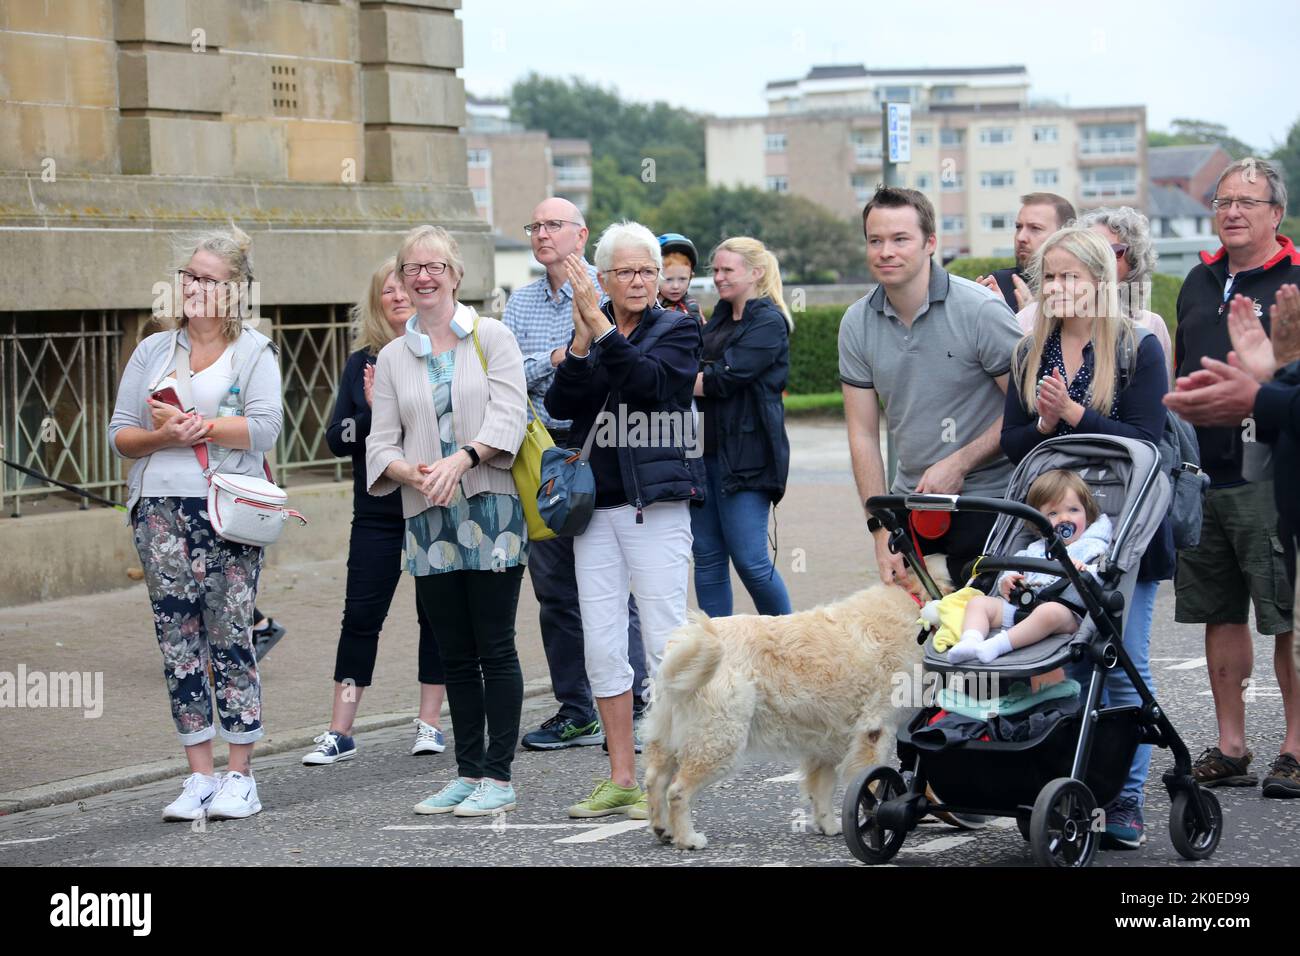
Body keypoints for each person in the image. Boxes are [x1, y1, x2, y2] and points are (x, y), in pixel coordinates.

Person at [1002, 226, 1174, 847]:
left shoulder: (1136, 348)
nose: (1061, 288)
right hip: (1054, 529)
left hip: (1128, 530)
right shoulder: (1030, 352)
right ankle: (1063, 783)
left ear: (1102, 283)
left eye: (1073, 276)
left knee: (1122, 662)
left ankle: (1125, 799)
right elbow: (1013, 444)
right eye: (1051, 277)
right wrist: (1044, 423)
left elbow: (1147, 443)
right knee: (1052, 658)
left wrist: (1075, 419)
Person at [109, 224, 283, 821]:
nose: (191, 286)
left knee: (230, 636)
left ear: (234, 291)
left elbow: (264, 427)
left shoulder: (254, 350)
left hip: (227, 509)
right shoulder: (153, 350)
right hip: (159, 509)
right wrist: (162, 435)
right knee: (178, 642)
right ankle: (199, 776)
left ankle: (241, 775)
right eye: (188, 275)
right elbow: (120, 437)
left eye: (206, 278)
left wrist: (201, 428)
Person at [366, 225, 529, 817]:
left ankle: (500, 776)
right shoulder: (392, 356)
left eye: (435, 266)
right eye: (413, 267)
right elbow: (379, 443)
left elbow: (511, 415)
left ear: (456, 276)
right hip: (426, 518)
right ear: (403, 278)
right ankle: (465, 772)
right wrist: (411, 473)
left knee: (495, 646)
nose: (424, 276)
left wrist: (462, 460)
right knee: (452, 653)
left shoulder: (493, 336)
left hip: (491, 509)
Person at [545, 222, 703, 819]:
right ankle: (621, 776)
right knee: (604, 643)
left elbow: (653, 387)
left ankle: (666, 778)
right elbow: (562, 407)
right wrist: (583, 344)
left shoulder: (677, 326)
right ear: (602, 277)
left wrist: (603, 331)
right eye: (627, 272)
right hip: (596, 511)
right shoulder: (592, 327)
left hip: (654, 506)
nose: (640, 281)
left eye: (648, 271)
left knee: (664, 641)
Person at [1169, 157, 1300, 796]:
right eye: (1223, 201)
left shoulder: (1298, 279)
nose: (1233, 211)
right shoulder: (1196, 279)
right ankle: (1231, 746)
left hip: (1274, 478)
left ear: (1277, 212)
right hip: (1203, 477)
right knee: (1218, 615)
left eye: (1247, 201)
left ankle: (1295, 750)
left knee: (1287, 619)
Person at [502, 197, 649, 751]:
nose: (541, 233)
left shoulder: (607, 287)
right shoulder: (520, 302)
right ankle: (575, 709)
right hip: (544, 456)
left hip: (601, 451)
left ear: (581, 235)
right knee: (555, 589)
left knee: (616, 588)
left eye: (552, 225)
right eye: (534, 225)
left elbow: (618, 367)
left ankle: (635, 700)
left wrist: (567, 362)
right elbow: (510, 373)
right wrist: (559, 359)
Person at [301, 258, 448, 767]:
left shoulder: (440, 353)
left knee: (436, 616)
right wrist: (370, 410)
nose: (398, 295)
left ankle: (430, 724)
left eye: (405, 286)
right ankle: (340, 730)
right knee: (360, 617)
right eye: (388, 290)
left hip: (430, 503)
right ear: (378, 301)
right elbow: (337, 438)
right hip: (379, 509)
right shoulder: (361, 360)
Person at [841, 185, 1022, 589]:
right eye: (875, 240)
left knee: (986, 639)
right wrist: (879, 528)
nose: (886, 251)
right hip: (913, 507)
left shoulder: (981, 311)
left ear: (930, 244)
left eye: (900, 239)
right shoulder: (855, 323)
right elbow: (863, 435)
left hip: (994, 503)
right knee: (927, 642)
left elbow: (1027, 410)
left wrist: (959, 463)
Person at [690, 236, 793, 617]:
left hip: (749, 460)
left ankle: (789, 643)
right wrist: (695, 375)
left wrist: (675, 378)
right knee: (707, 557)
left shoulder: (768, 322)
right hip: (703, 454)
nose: (717, 277)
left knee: (750, 561)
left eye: (726, 270)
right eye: (714, 270)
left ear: (756, 272)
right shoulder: (718, 317)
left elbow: (722, 379)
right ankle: (719, 653)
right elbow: (702, 371)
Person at [948, 470, 1112, 665]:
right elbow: (1016, 565)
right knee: (978, 603)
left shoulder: (1094, 547)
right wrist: (1007, 581)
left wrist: (1085, 571)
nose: (1064, 518)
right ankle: (970, 641)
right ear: (1039, 522)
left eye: (1073, 510)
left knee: (1050, 611)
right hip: (1024, 608)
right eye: (1053, 513)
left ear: (1088, 513)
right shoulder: (1036, 548)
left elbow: (1103, 574)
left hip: (1067, 615)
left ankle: (997, 645)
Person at [1016, 206, 1174, 384]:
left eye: (1112, 251)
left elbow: (1156, 404)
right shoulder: (1032, 319)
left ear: (1134, 261)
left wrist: (1070, 411)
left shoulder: (1149, 328)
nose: (1099, 259)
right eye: (1088, 252)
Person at [977, 193, 1076, 312]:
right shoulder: (997, 285)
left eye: (1035, 228)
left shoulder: (1081, 289)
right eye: (1018, 227)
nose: (1021, 237)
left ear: (1065, 234)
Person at [657, 232, 704, 322]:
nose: (676, 286)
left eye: (682, 279)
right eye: (669, 280)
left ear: (691, 277)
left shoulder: (692, 308)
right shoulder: (648, 309)